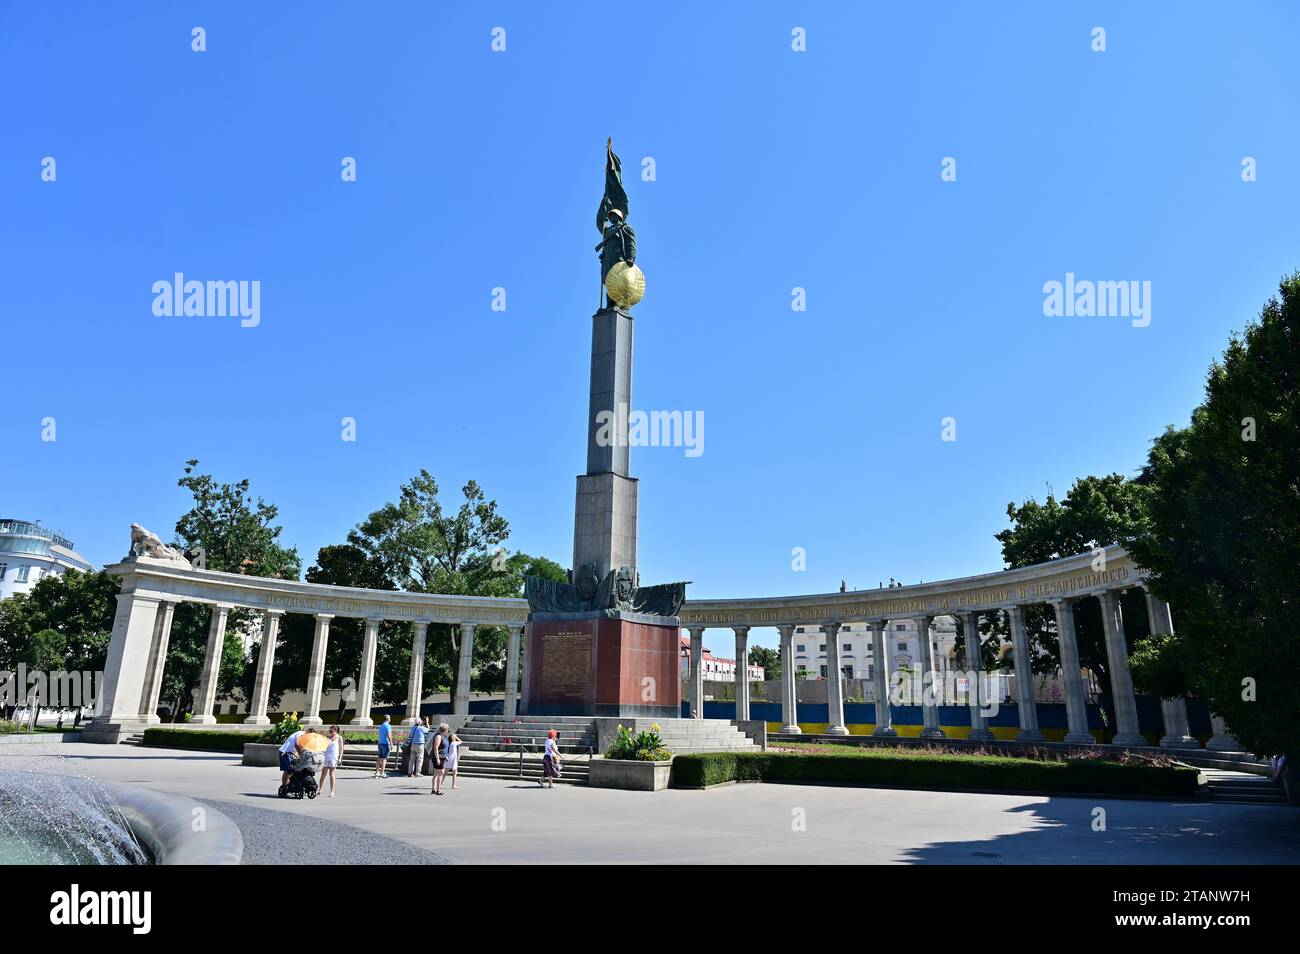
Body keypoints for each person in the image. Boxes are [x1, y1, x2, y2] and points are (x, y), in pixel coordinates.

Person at [319, 725, 344, 798]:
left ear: (336, 731)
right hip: (326, 757)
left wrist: (340, 758)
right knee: (323, 774)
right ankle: (320, 790)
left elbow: (341, 749)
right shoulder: (328, 738)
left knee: (332, 775)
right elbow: (324, 747)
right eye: (329, 730)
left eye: (331, 731)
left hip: (333, 758)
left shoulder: (339, 738)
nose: (330, 732)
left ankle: (332, 791)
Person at [431, 723, 451, 796]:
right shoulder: (438, 737)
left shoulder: (443, 736)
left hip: (442, 757)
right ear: (445, 730)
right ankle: (438, 790)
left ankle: (433, 789)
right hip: (438, 757)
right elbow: (436, 748)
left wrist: (445, 756)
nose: (448, 731)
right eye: (447, 729)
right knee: (441, 773)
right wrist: (437, 759)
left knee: (436, 773)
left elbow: (444, 748)